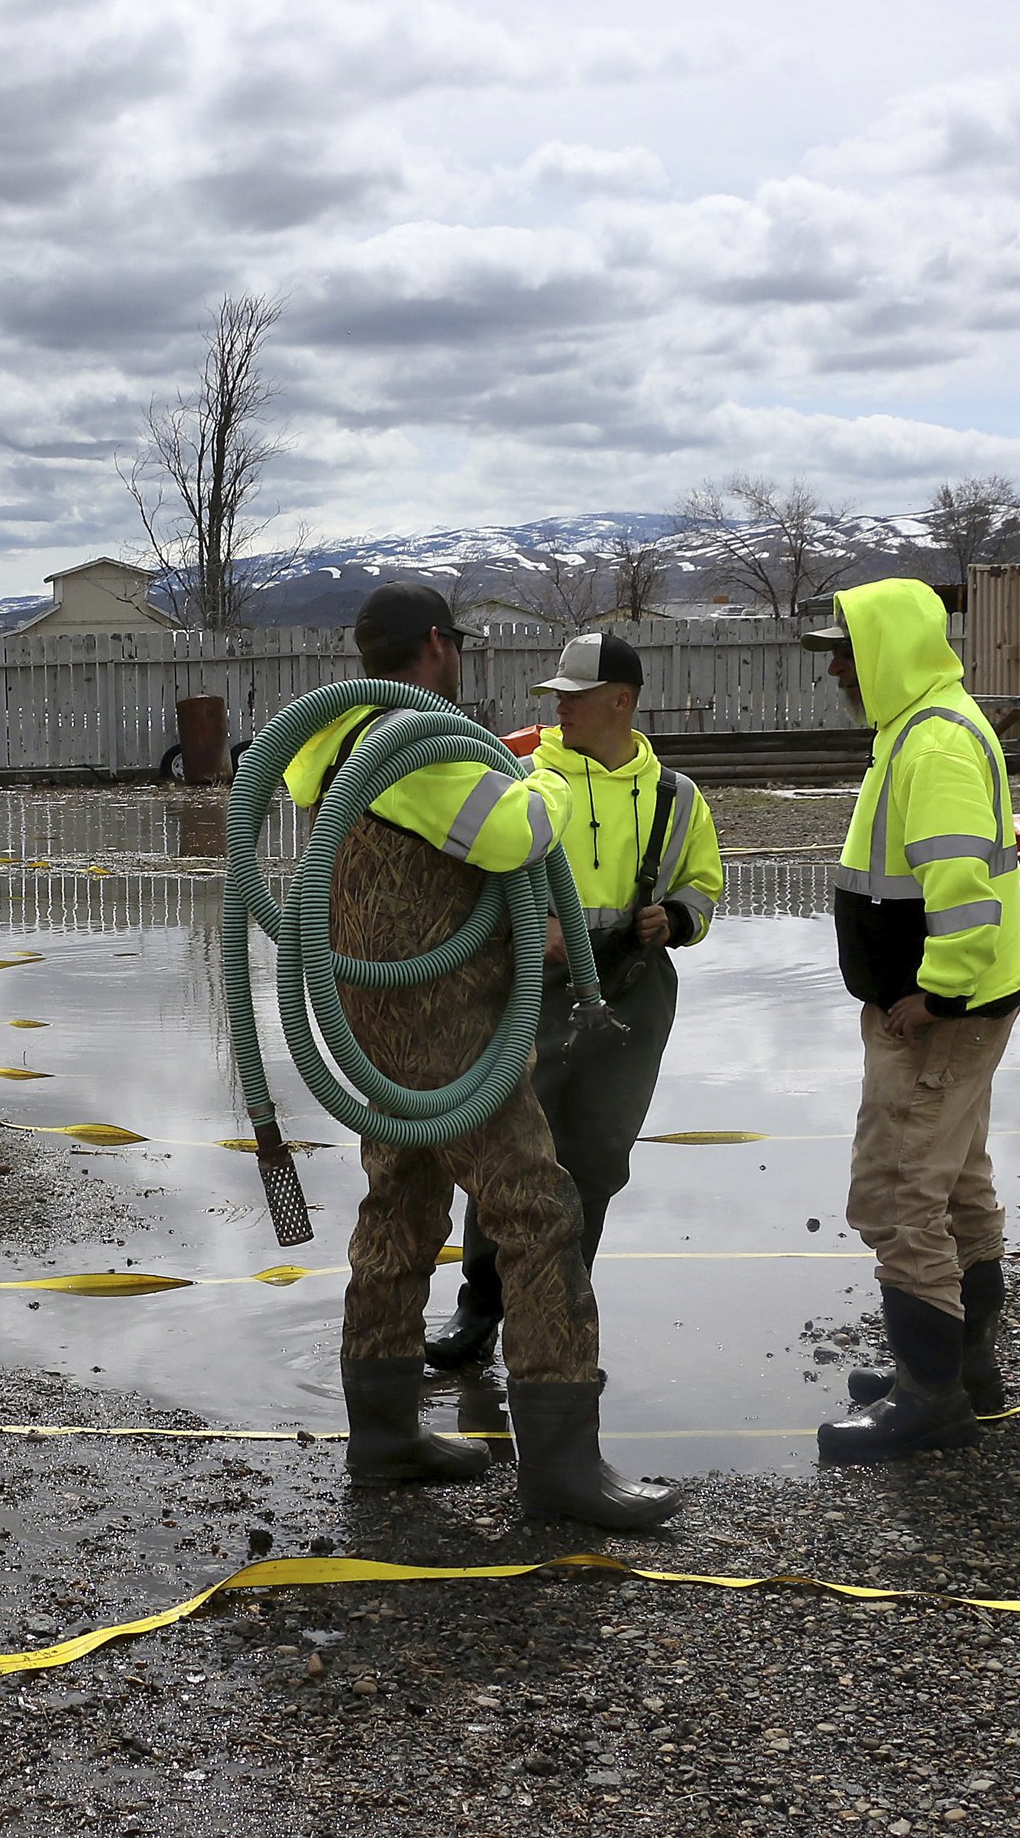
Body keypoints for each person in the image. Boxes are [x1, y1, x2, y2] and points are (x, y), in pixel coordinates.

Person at [282, 583, 681, 1530]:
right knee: (538, 1211)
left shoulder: (333, 740)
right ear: (436, 644)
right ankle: (562, 1466)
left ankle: (385, 1436)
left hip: (372, 1017)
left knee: (401, 1204)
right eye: (455, 644)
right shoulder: (417, 746)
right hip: (445, 1019)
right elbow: (518, 832)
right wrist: (535, 774)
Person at [426, 632, 721, 1369]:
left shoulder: (676, 797)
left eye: (574, 696)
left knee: (597, 1156)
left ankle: (560, 1302)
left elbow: (704, 884)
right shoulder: (522, 779)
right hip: (534, 988)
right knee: (510, 1152)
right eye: (556, 696)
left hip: (633, 991)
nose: (559, 708)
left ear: (620, 701)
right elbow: (467, 881)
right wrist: (527, 924)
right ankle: (480, 1307)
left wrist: (676, 917)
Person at [804, 577, 1020, 1465]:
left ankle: (930, 1398)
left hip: (940, 1012)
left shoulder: (933, 741)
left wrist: (936, 992)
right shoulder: (919, 726)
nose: (837, 668)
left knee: (900, 1188)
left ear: (889, 649)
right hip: (955, 1002)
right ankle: (961, 1368)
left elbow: (962, 889)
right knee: (956, 1180)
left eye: (847, 651)